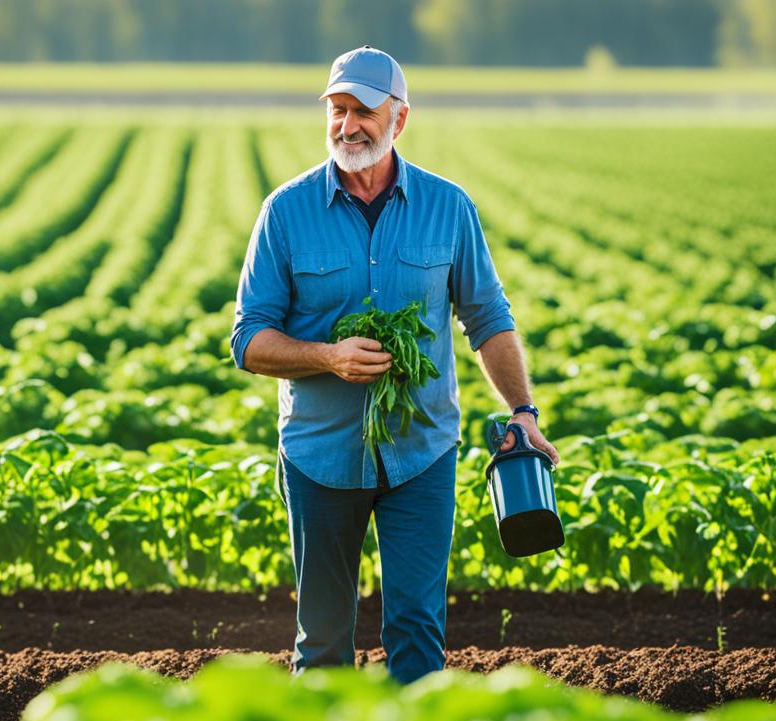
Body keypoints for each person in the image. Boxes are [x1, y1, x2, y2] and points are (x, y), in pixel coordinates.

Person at [229, 45, 560, 684]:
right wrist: (327, 356)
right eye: (336, 110)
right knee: (321, 641)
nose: (346, 126)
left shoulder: (448, 207)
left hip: (422, 454)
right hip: (320, 456)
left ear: (399, 119)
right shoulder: (286, 212)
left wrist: (522, 410)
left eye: (362, 112)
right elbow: (248, 339)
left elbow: (487, 318)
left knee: (417, 634)